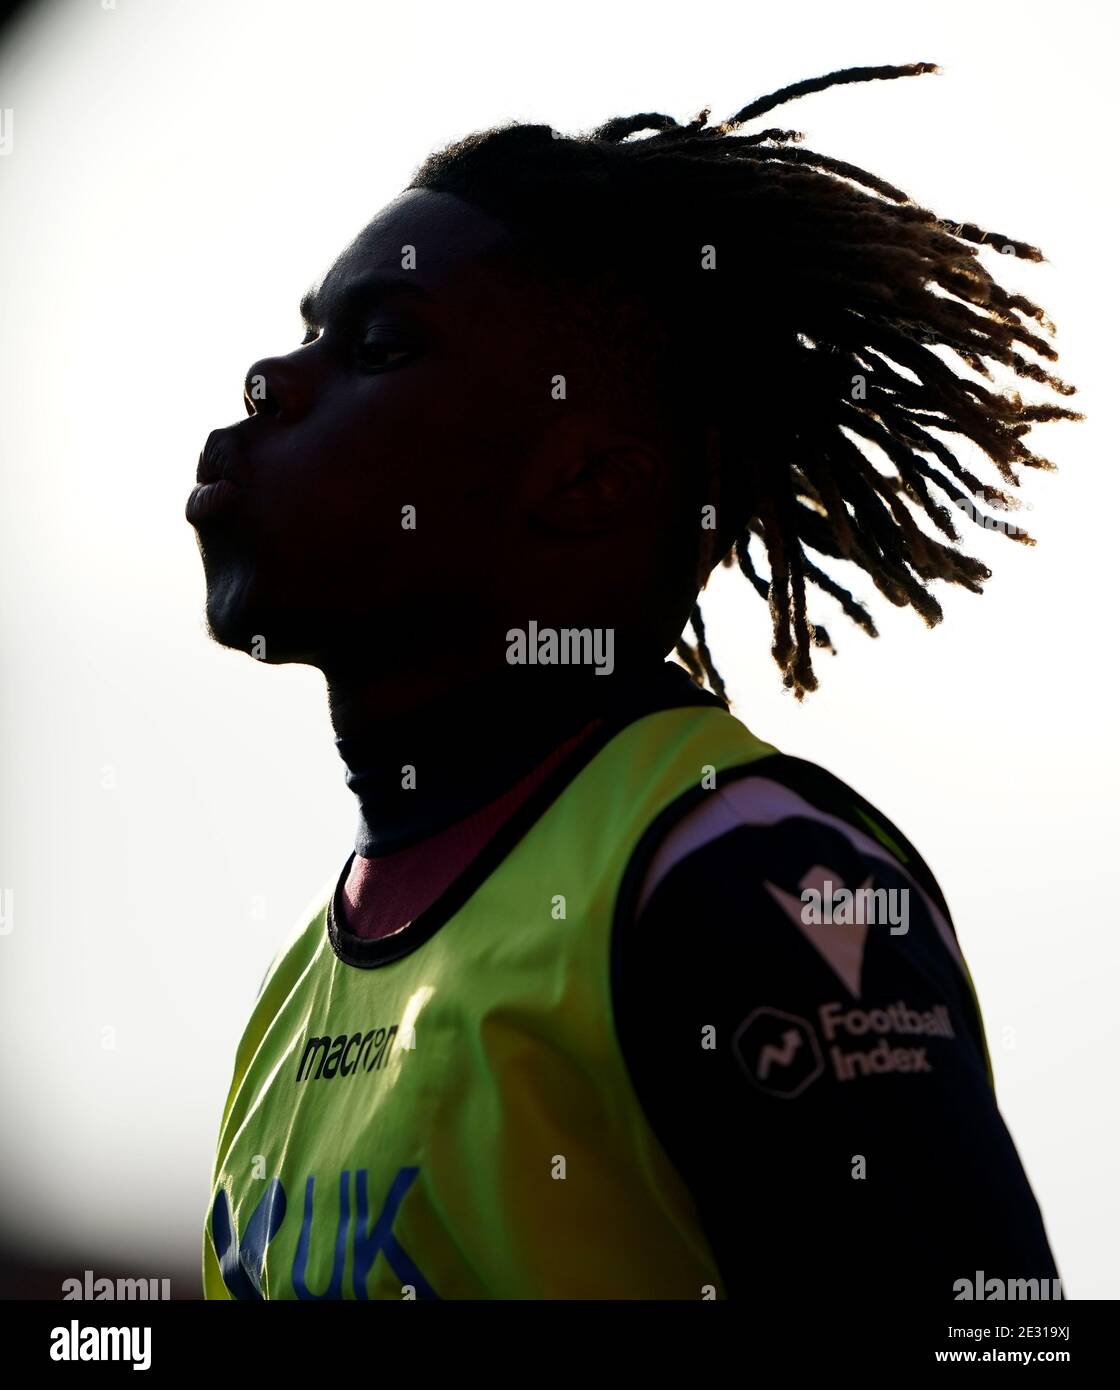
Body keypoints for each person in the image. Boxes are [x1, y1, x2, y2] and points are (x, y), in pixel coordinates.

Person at [192, 63, 1075, 1301]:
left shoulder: (752, 877)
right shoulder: (298, 994)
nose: (271, 382)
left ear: (589, 482)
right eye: (301, 336)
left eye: (379, 347)